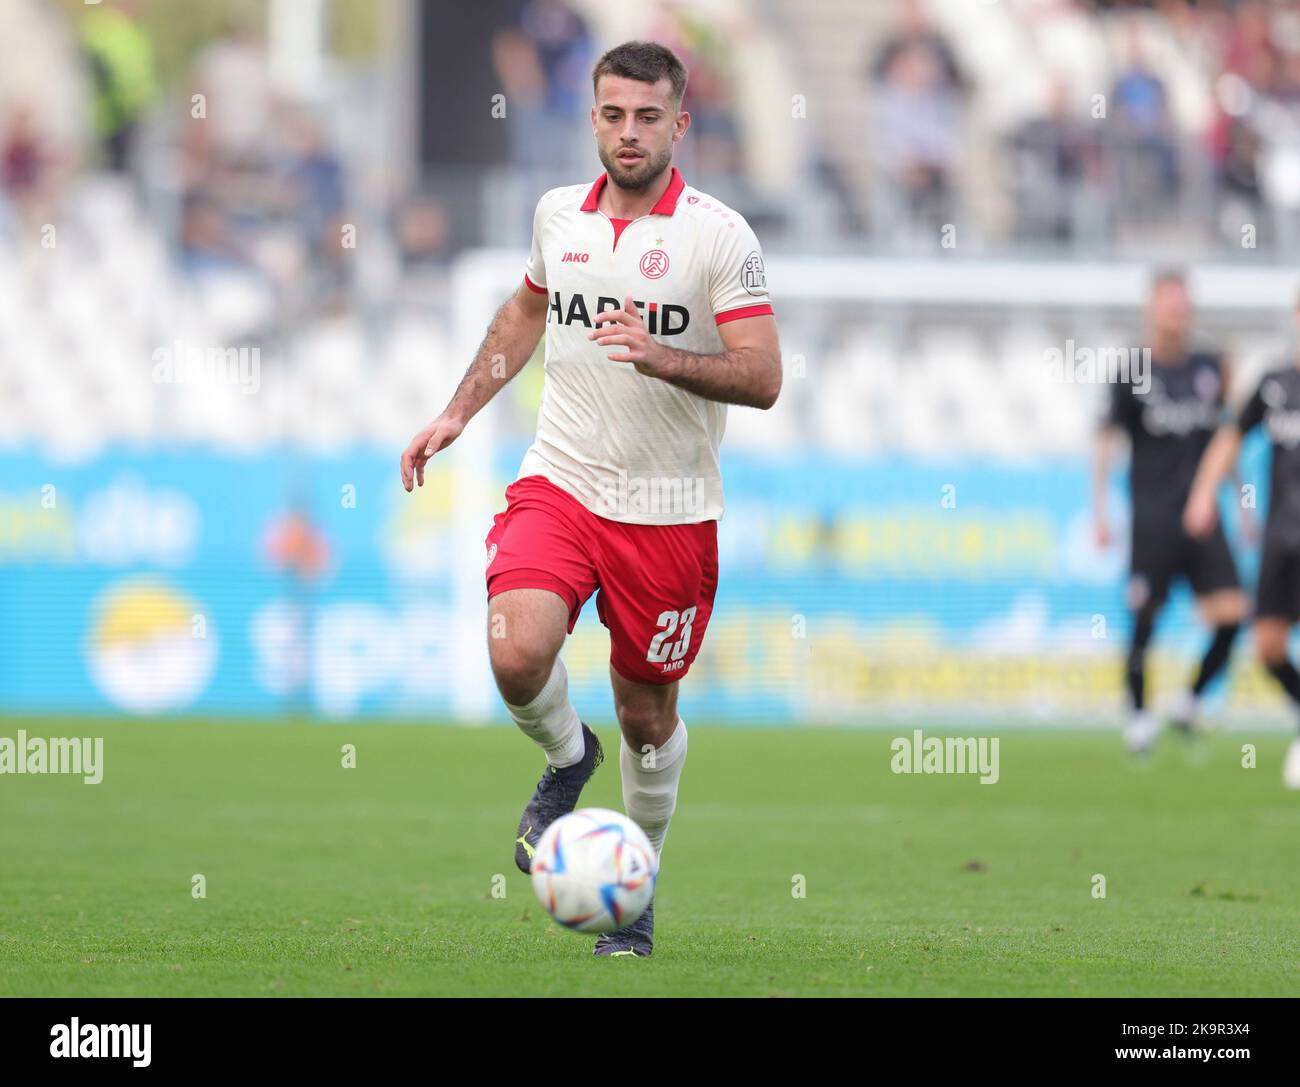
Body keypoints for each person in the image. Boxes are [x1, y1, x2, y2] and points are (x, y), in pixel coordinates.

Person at [399, 41, 781, 955]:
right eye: (613, 115)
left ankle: (634, 879)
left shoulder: (718, 236)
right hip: (562, 480)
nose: (629, 132)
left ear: (679, 123)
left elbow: (764, 377)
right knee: (516, 651)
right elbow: (528, 310)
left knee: (649, 716)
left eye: (648, 116)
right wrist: (458, 410)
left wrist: (664, 356)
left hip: (671, 510)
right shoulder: (557, 216)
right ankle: (570, 760)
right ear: (594, 119)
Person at [1094, 270, 1247, 753]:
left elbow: (1227, 438)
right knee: (1145, 617)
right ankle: (1139, 714)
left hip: (1203, 516)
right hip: (1153, 516)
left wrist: (1242, 501)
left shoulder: (1210, 367)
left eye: (1182, 305)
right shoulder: (1132, 369)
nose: (1176, 313)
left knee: (1232, 613)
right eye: (1168, 304)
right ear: (1151, 308)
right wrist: (1099, 508)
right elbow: (1106, 438)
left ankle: (1191, 700)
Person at [1185, 296, 1300, 788]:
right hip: (1281, 536)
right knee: (1268, 645)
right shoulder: (1274, 385)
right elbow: (1231, 436)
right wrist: (1203, 493)